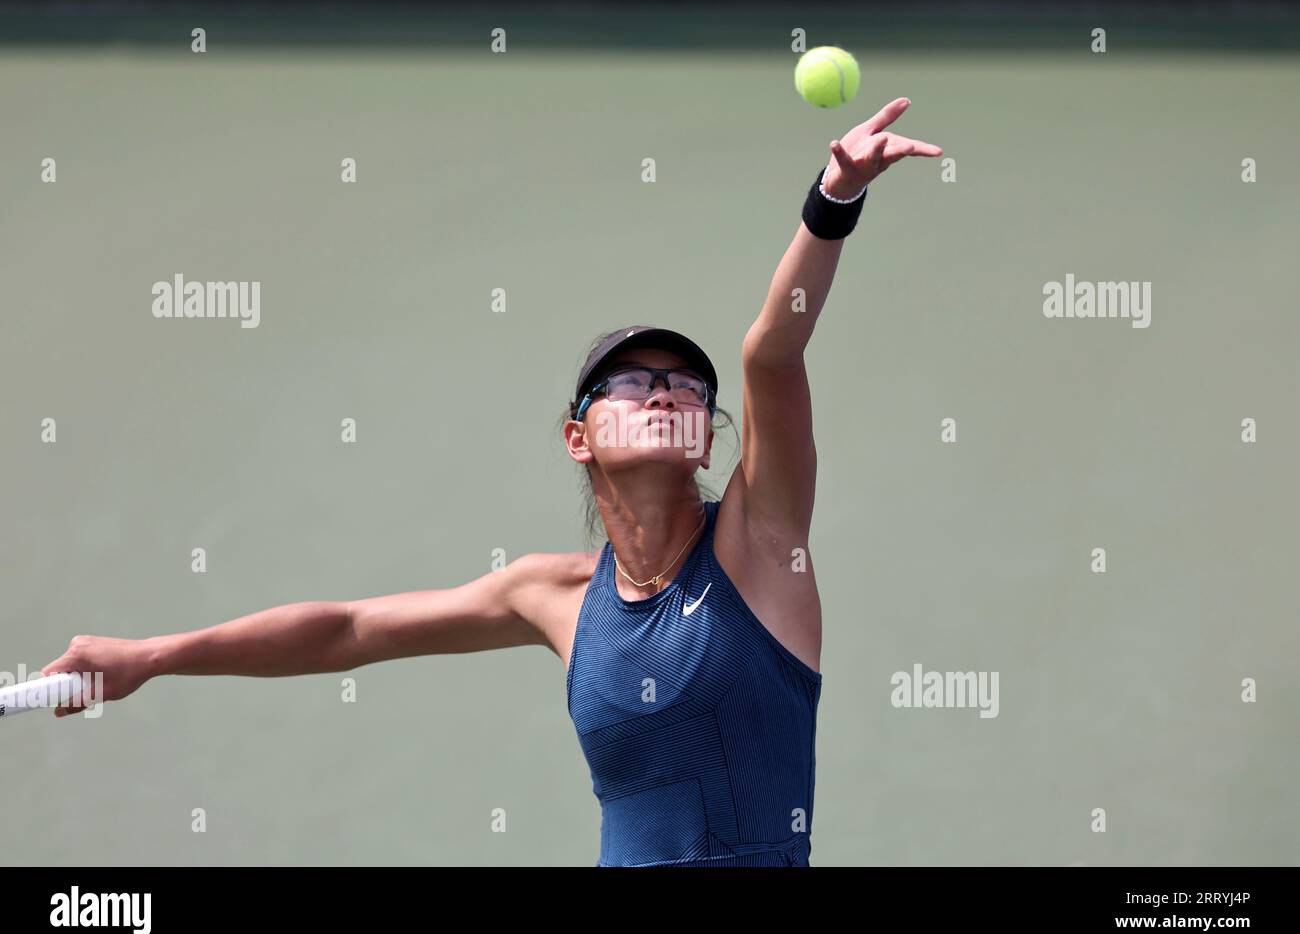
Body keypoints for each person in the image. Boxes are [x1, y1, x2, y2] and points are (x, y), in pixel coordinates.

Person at [42, 98, 942, 867]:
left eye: (686, 387)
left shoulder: (759, 543)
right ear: (576, 438)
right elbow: (350, 631)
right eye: (630, 382)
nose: (665, 389)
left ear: (708, 442)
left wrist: (834, 199)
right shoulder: (550, 595)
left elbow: (772, 352)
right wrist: (152, 658)